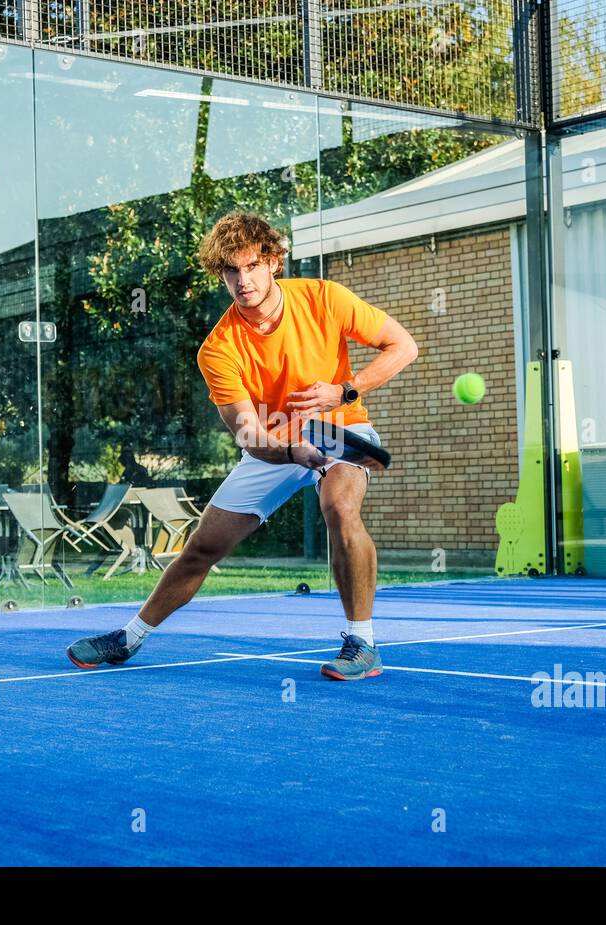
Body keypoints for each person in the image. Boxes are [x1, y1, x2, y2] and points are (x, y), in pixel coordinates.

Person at [65, 212, 418, 680]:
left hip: (340, 430)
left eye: (251, 266)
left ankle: (363, 642)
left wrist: (345, 391)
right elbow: (249, 434)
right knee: (201, 548)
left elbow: (403, 346)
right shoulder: (218, 348)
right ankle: (128, 638)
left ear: (274, 262)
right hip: (276, 444)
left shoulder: (323, 298)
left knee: (340, 509)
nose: (242, 279)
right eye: (231, 270)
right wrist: (293, 452)